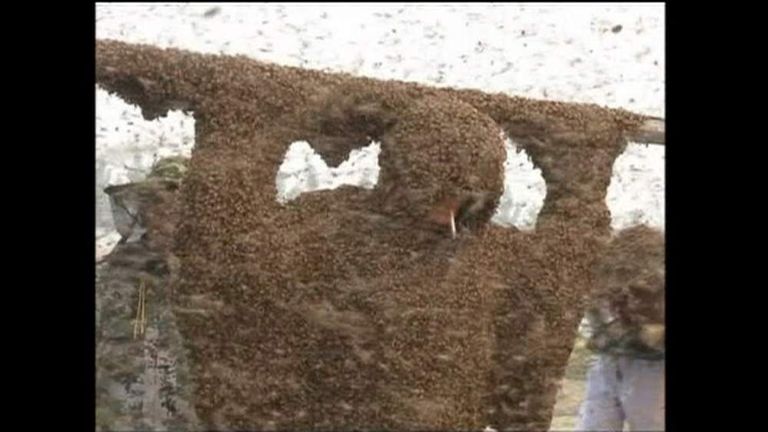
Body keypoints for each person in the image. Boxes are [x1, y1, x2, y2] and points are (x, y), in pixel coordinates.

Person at [577, 225, 665, 431]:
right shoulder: (614, 361)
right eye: (617, 300)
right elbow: (597, 423)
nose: (622, 310)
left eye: (637, 296)